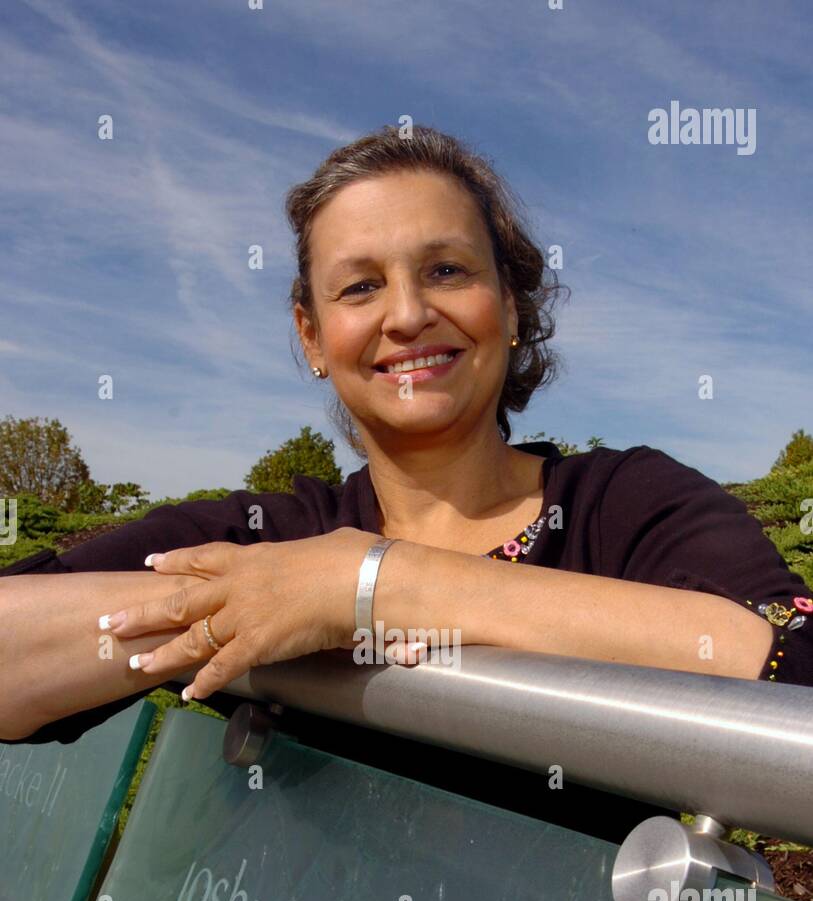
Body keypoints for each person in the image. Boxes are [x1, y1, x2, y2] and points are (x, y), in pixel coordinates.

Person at [1, 125, 811, 746]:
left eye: (447, 271)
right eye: (360, 286)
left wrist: (374, 588)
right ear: (313, 337)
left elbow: (794, 665)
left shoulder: (627, 503)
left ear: (513, 305)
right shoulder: (267, 542)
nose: (407, 314)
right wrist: (254, 600)